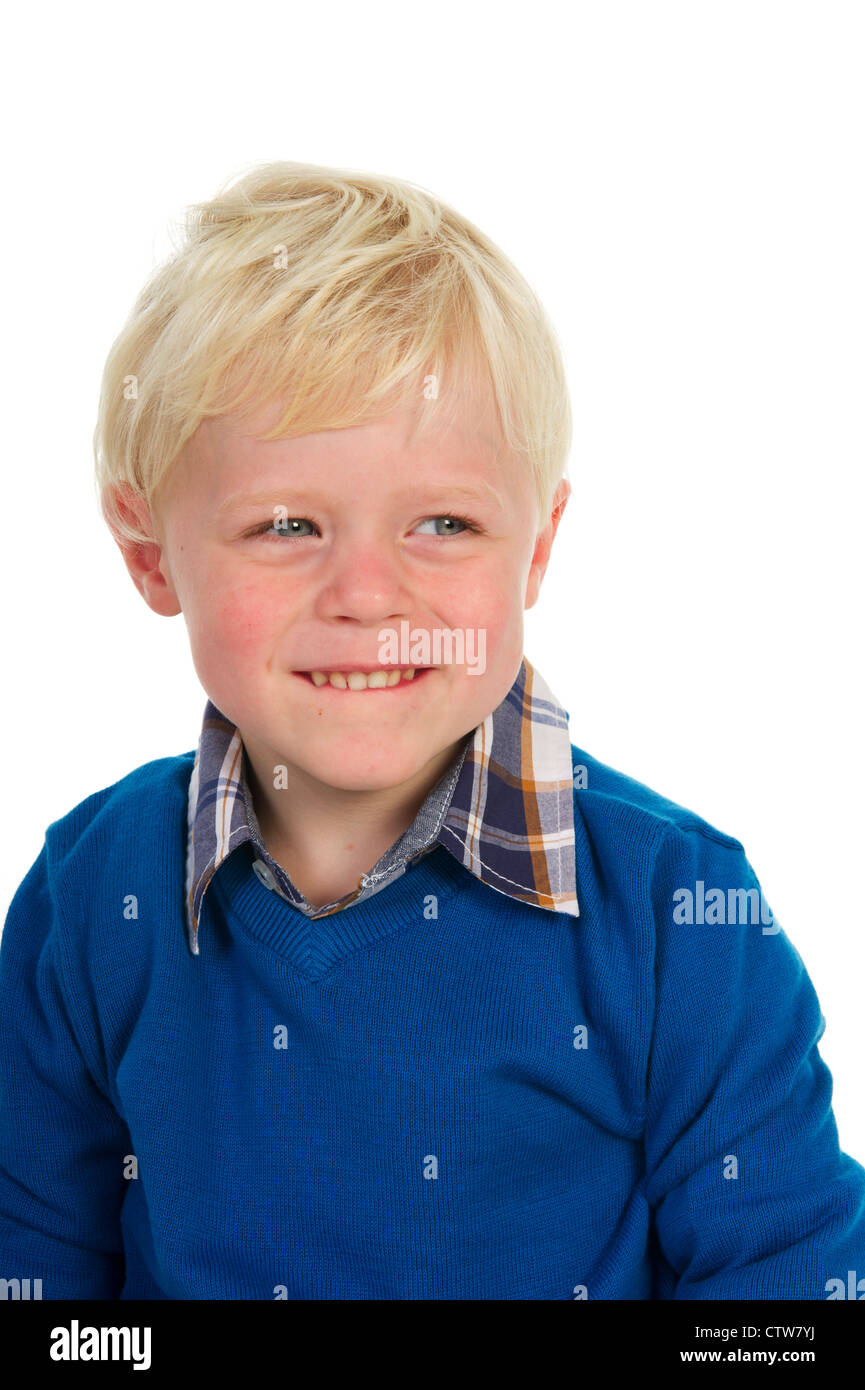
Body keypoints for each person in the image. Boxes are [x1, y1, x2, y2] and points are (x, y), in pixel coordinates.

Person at [1, 161, 863, 1300]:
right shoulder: (90, 899)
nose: (368, 593)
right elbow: (41, 1286)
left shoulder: (676, 915)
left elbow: (790, 1299)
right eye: (287, 523)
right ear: (151, 551)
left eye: (445, 523)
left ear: (538, 546)